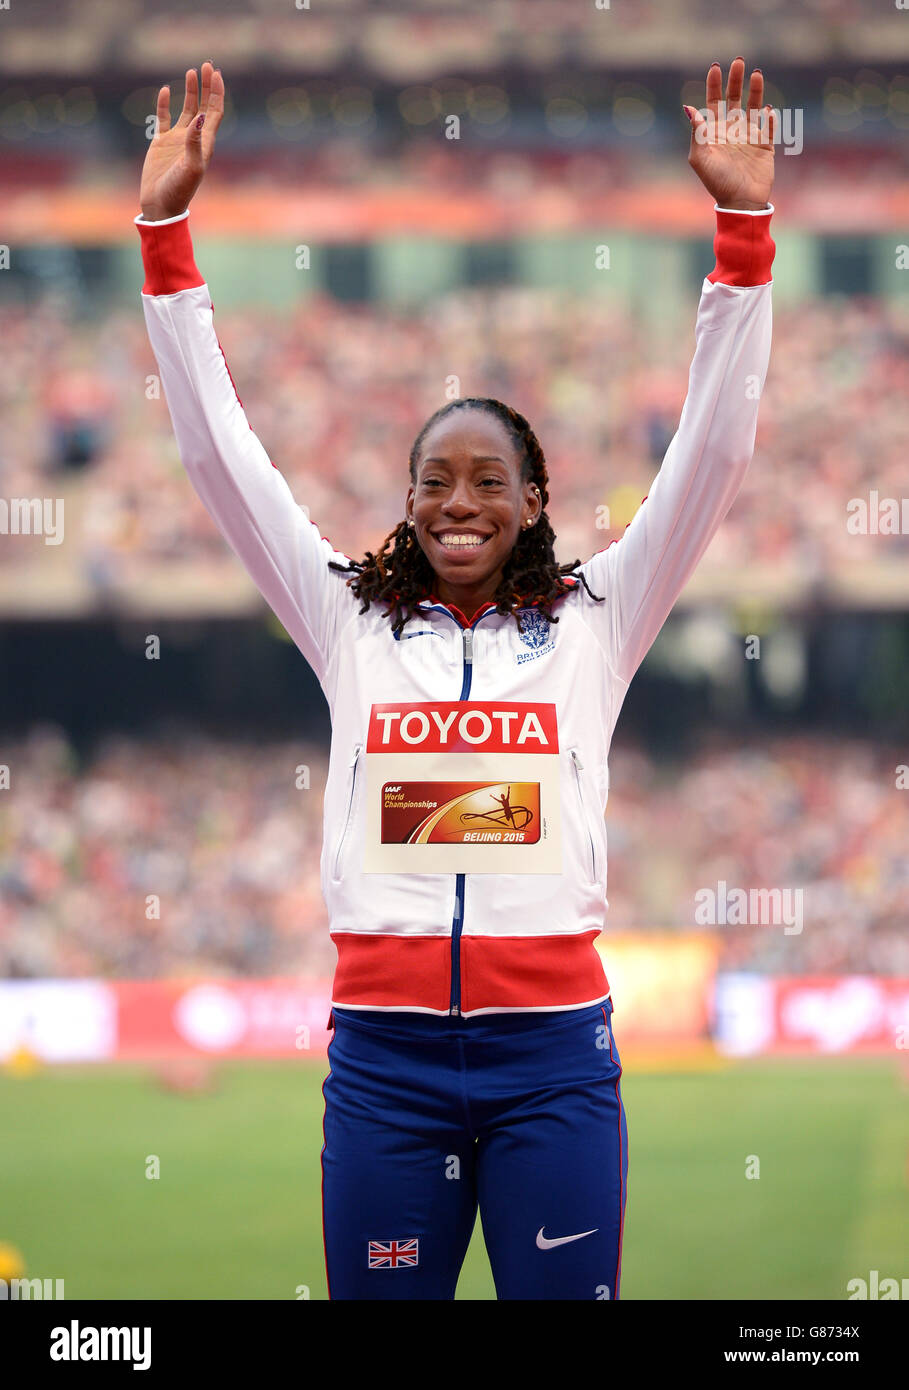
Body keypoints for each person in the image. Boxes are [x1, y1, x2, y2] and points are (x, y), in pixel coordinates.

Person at [136, 57, 775, 1300]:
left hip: (557, 1065)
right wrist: (167, 239)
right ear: (408, 501)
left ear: (535, 501)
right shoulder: (343, 617)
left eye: (489, 480)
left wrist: (743, 243)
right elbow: (220, 457)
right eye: (436, 479)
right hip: (385, 1066)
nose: (460, 502)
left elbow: (719, 449)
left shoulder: (602, 615)